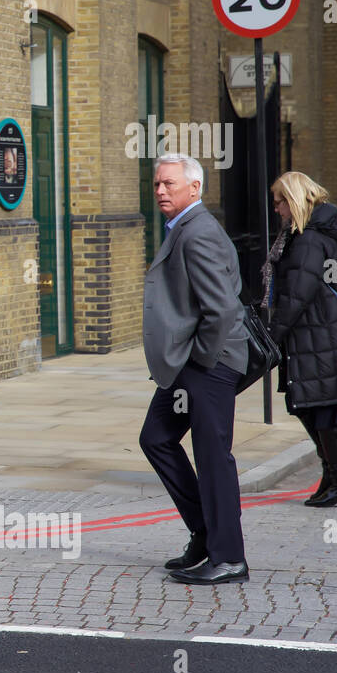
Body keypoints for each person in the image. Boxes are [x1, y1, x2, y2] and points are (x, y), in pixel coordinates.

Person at [139, 154, 250, 585]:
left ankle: (229, 558)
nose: (162, 191)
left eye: (169, 184)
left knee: (212, 456)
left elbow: (221, 310)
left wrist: (201, 362)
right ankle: (204, 535)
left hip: (209, 363)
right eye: (157, 185)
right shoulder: (183, 229)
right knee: (156, 437)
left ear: (194, 188)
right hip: (192, 364)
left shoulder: (198, 231)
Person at [264, 172, 337, 508]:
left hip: (324, 338)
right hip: (324, 336)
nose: (278, 209)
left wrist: (272, 336)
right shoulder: (314, 234)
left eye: (281, 202)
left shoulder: (310, 239)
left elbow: (297, 295)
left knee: (323, 408)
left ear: (296, 200)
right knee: (313, 407)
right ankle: (334, 478)